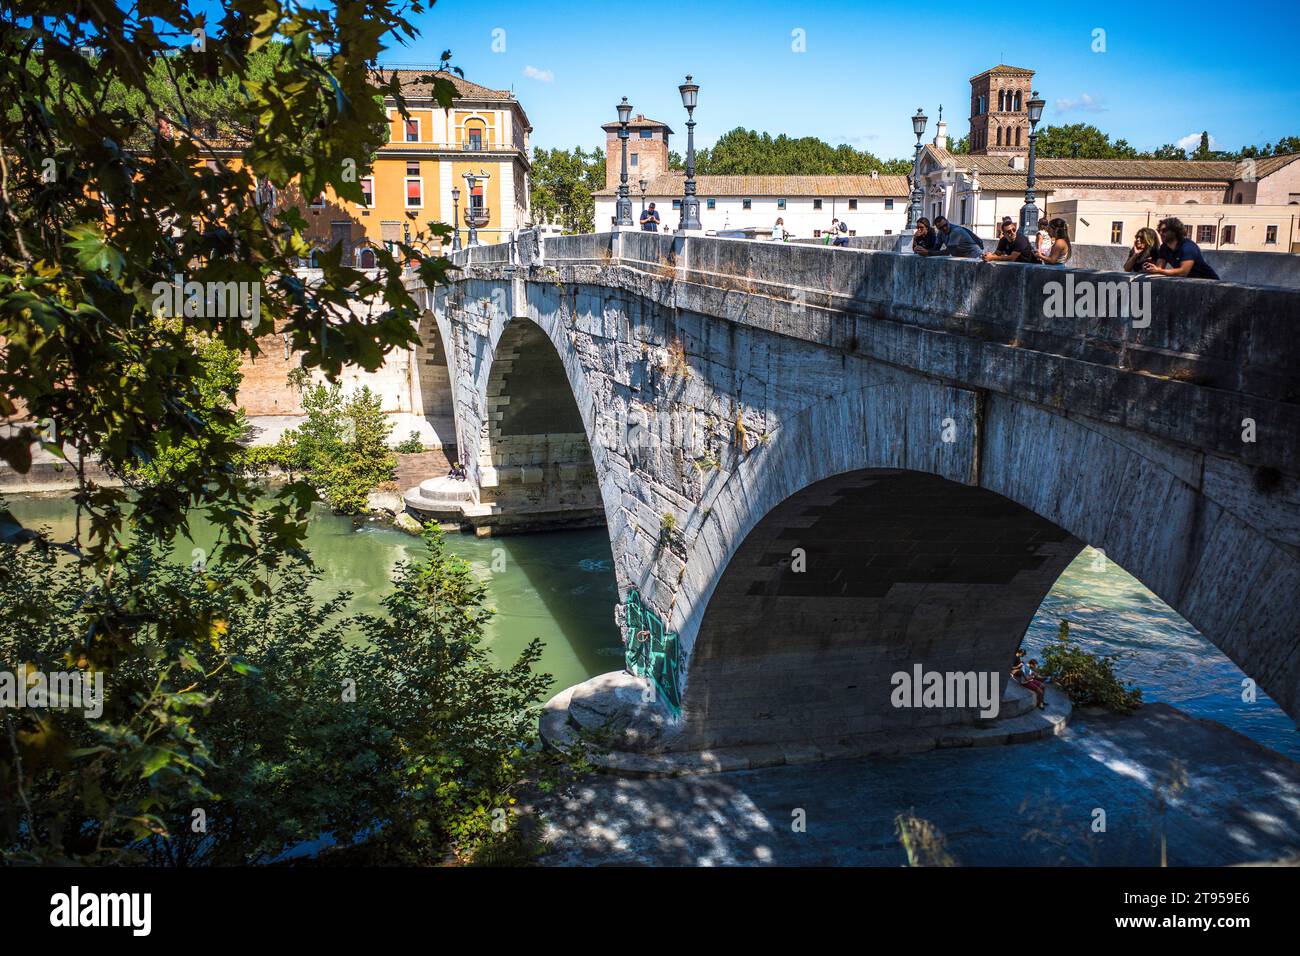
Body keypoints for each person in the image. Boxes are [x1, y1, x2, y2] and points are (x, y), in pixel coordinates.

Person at [1143, 218, 1219, 279]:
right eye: (1159, 230)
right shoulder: (1164, 247)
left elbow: (1183, 272)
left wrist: (1159, 270)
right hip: (1190, 283)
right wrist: (1151, 268)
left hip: (1209, 283)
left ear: (1174, 231)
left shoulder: (1188, 247)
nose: (1161, 233)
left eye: (1164, 231)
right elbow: (1159, 268)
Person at [916, 216, 983, 259]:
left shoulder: (956, 231)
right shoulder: (941, 233)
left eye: (945, 225)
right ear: (938, 228)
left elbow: (948, 252)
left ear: (948, 222)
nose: (944, 228)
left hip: (975, 257)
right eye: (941, 228)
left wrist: (927, 252)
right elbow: (936, 249)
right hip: (965, 258)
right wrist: (922, 250)